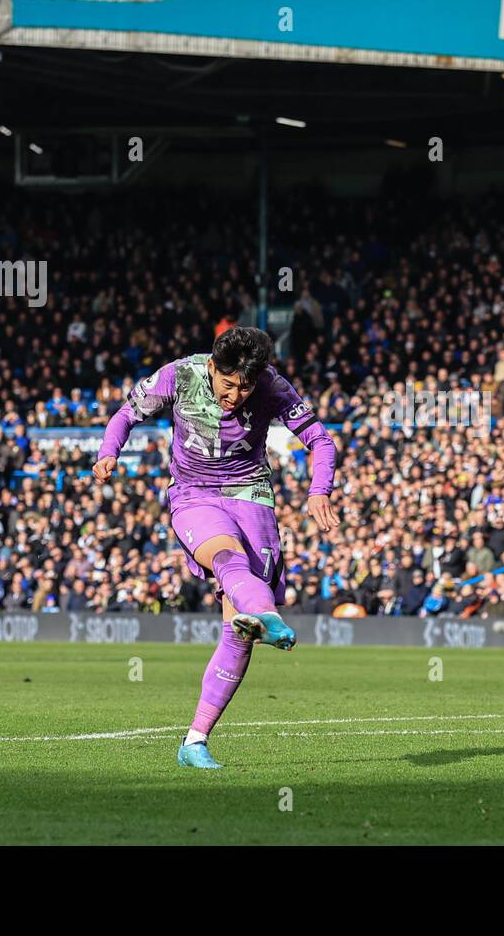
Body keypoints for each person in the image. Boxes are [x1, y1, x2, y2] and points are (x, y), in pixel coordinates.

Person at [94, 327, 339, 770]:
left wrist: (319, 490)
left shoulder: (272, 386)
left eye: (245, 387)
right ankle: (268, 618)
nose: (236, 396)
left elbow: (320, 439)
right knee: (228, 556)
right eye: (228, 384)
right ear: (212, 366)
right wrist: (109, 451)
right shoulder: (179, 375)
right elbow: (127, 413)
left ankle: (194, 742)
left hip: (252, 496)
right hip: (194, 495)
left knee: (238, 633)